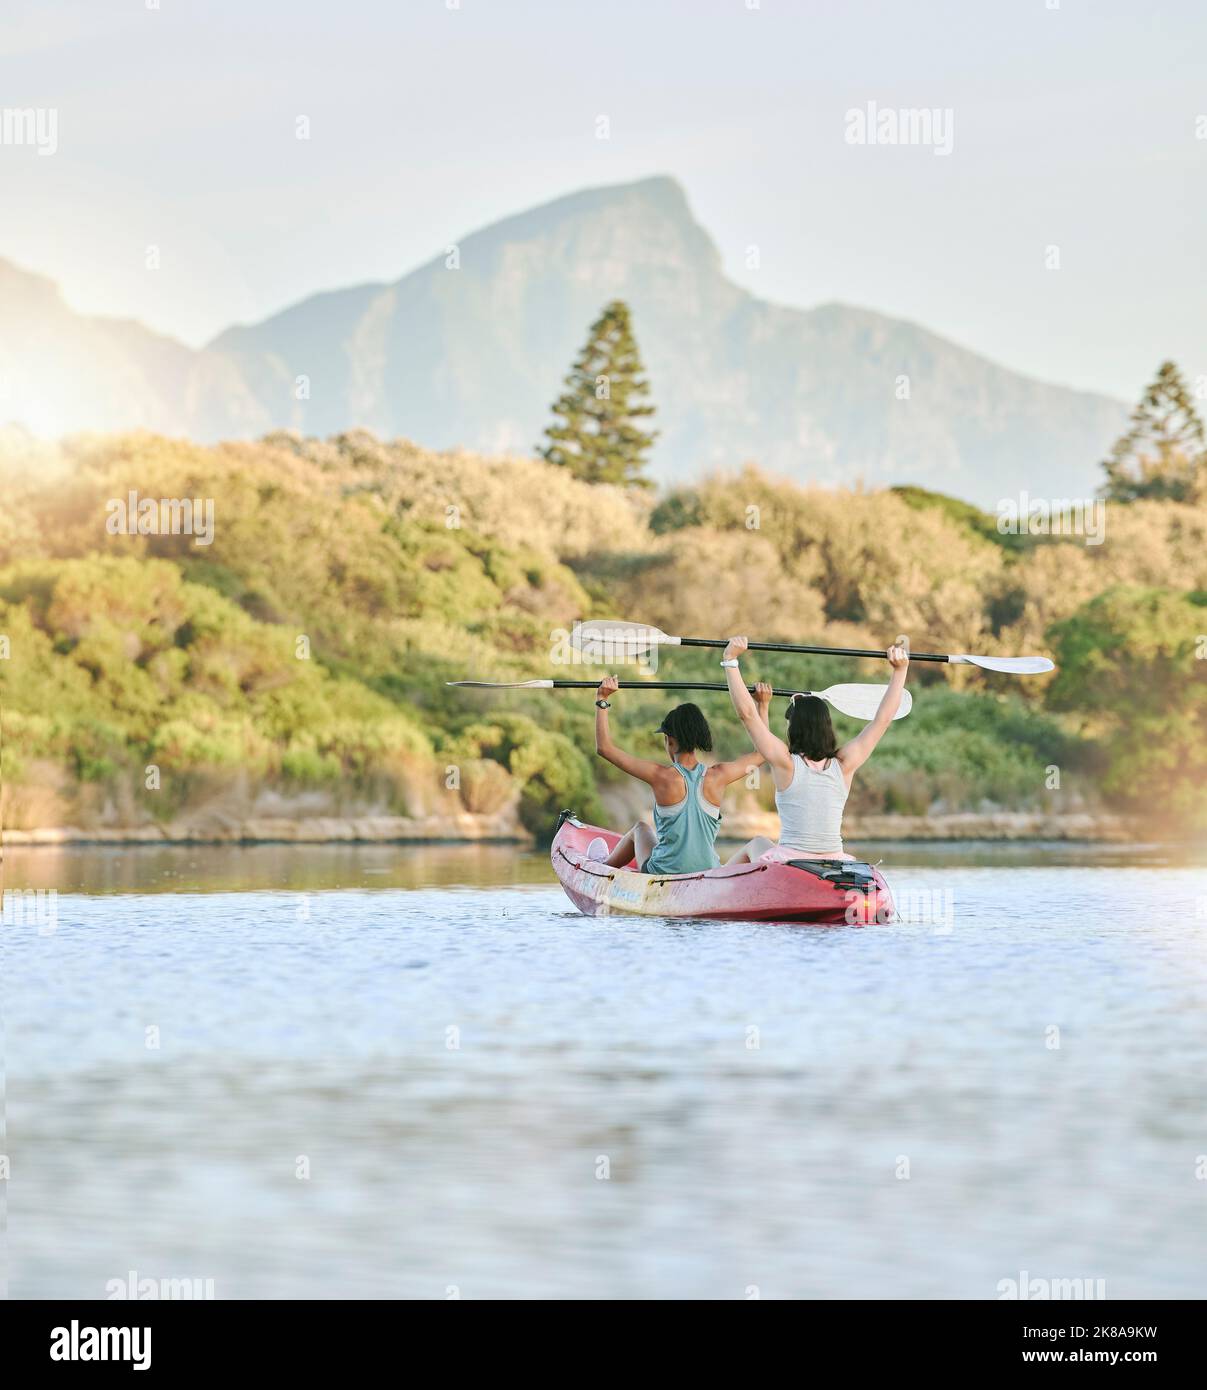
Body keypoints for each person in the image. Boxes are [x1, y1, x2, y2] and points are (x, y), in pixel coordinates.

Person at [720, 634, 910, 863]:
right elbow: (883, 719)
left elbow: (747, 716)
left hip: (791, 862)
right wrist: (900, 671)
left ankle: (716, 885)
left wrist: (730, 660)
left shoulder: (786, 763)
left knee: (758, 842)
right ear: (826, 727)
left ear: (795, 728)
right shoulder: (845, 763)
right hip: (835, 860)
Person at [590, 674, 773, 872]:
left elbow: (605, 748)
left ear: (669, 740)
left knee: (640, 828)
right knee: (752, 845)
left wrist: (603, 699)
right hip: (708, 871)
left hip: (663, 872)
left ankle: (601, 867)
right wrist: (762, 705)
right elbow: (762, 753)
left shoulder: (661, 776)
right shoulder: (719, 775)